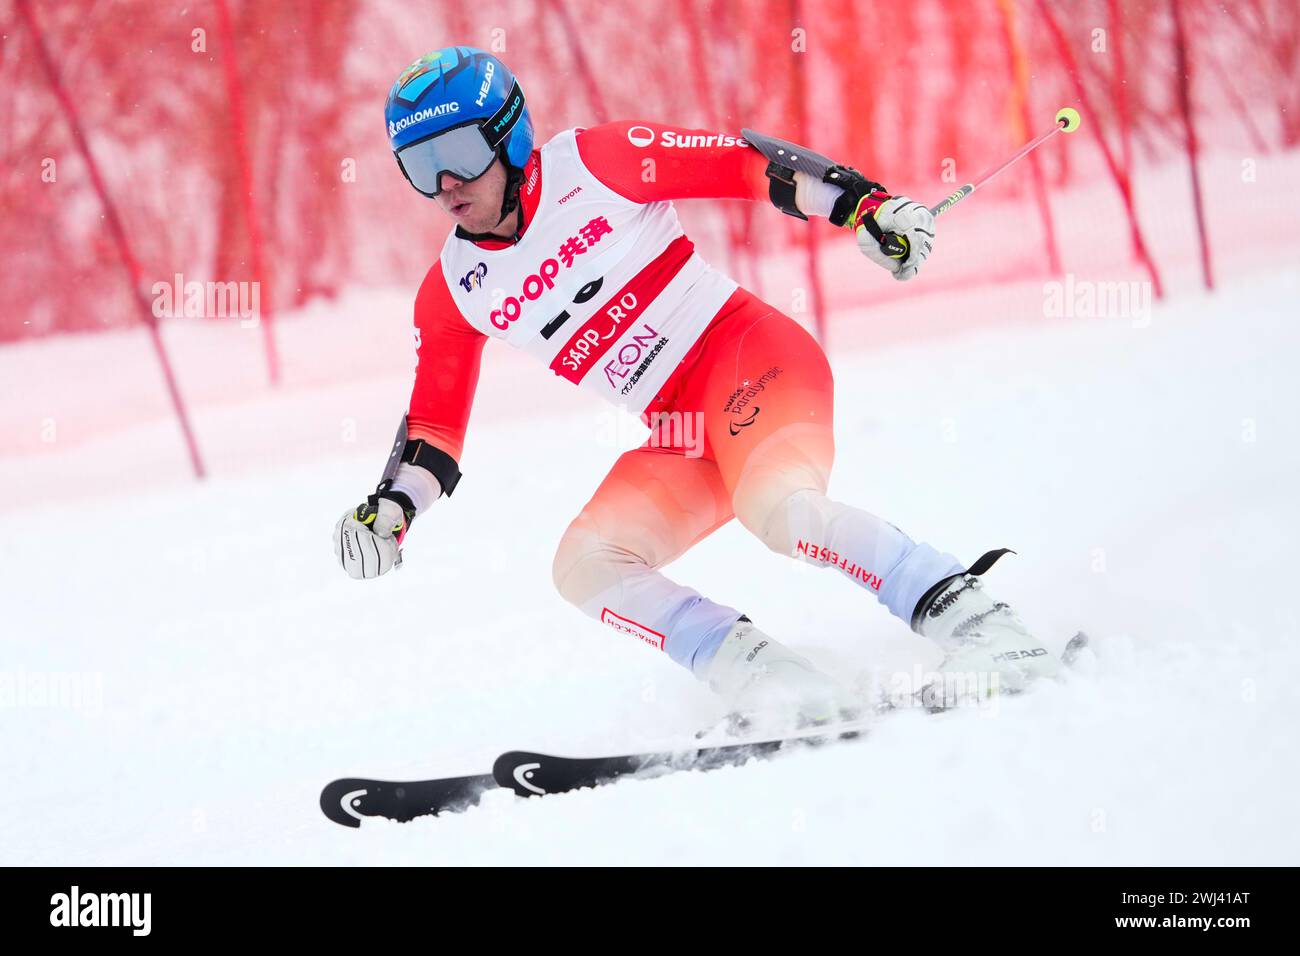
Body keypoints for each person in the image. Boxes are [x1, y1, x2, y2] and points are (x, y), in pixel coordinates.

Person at [334, 46, 1061, 727]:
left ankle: (986, 626)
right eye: (419, 166)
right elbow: (433, 430)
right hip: (682, 433)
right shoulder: (454, 290)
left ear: (510, 135)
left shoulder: (597, 163)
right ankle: (771, 676)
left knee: (783, 513)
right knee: (586, 566)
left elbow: (749, 166)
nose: (445, 185)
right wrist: (393, 510)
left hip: (751, 361)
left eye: (456, 155)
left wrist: (865, 208)